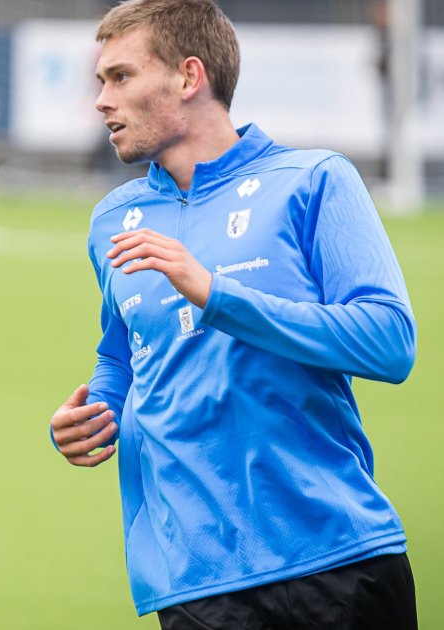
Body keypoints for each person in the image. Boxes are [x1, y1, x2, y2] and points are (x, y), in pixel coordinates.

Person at [47, 1, 419, 628]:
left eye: (120, 77)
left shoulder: (314, 181)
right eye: (100, 82)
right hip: (194, 583)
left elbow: (388, 343)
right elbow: (121, 353)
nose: (101, 101)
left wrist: (216, 294)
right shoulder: (113, 218)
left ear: (189, 78)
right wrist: (93, 415)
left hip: (335, 560)